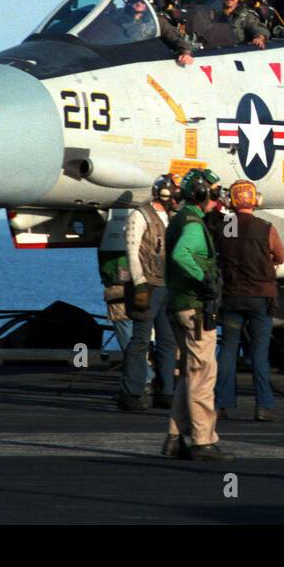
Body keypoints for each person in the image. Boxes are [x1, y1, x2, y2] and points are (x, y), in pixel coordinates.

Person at [161, 168, 233, 461]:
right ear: (202, 194)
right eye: (214, 193)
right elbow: (181, 255)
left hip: (178, 304)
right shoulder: (192, 224)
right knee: (203, 373)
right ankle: (203, 441)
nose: (217, 199)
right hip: (194, 307)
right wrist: (202, 278)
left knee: (190, 372)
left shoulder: (180, 219)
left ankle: (175, 438)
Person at [216, 180, 284, 421]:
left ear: (232, 201)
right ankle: (264, 406)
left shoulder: (227, 226)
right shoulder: (266, 227)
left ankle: (221, 404)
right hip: (260, 298)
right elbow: (280, 256)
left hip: (232, 297)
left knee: (227, 349)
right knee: (259, 353)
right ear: (256, 200)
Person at [118, 175, 178, 412]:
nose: (175, 199)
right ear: (163, 195)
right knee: (141, 339)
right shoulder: (139, 216)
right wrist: (139, 282)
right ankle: (130, 393)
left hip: (165, 285)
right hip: (147, 286)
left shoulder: (170, 217)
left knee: (167, 340)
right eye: (172, 195)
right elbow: (132, 251)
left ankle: (166, 392)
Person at [125, 0, 194, 65]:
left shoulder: (156, 21)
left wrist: (186, 53)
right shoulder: (116, 18)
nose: (139, 2)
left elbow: (177, 39)